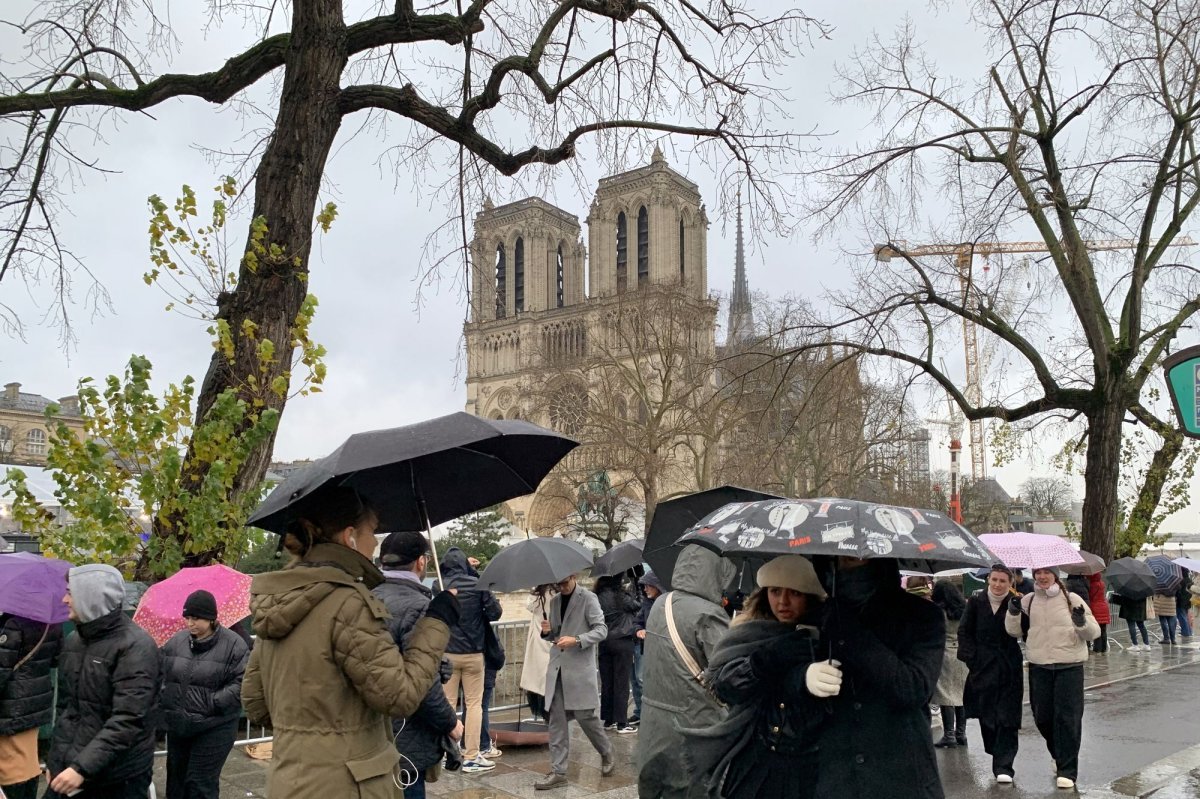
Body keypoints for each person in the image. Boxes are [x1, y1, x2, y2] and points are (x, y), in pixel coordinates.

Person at [241, 487, 458, 799]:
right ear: (350, 537)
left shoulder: (277, 604)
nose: (375, 543)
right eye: (373, 531)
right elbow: (398, 696)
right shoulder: (348, 604)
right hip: (349, 783)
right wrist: (437, 621)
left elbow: (256, 704)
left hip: (289, 780)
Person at [684, 556, 832, 799]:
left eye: (795, 593)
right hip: (757, 761)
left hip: (810, 767)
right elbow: (725, 688)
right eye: (775, 591)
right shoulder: (749, 633)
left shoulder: (829, 636)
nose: (783, 602)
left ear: (810, 596)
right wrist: (764, 661)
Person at [811, 556, 945, 799]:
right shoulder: (815, 616)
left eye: (854, 558)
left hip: (903, 777)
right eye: (837, 558)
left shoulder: (922, 616)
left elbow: (913, 688)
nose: (844, 568)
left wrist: (851, 631)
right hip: (835, 778)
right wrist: (802, 677)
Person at [43, 564, 161, 799]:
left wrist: (81, 768)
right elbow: (67, 709)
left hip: (118, 777)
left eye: (70, 593)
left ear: (91, 597)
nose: (65, 599)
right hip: (73, 771)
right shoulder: (74, 640)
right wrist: (56, 761)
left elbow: (128, 719)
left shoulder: (136, 647)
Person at [635, 544, 736, 799]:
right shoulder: (708, 614)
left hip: (654, 725)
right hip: (694, 725)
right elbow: (729, 672)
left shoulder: (660, 603)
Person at [372, 531, 464, 799]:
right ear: (421, 562)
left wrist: (441, 665)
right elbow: (421, 684)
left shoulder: (367, 597)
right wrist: (450, 723)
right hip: (406, 738)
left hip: (372, 734)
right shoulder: (420, 607)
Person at [1005, 566, 1100, 790]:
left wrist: (1080, 622)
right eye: (1038, 573)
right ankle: (1059, 754)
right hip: (1040, 665)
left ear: (1055, 575)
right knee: (1043, 718)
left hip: (1070, 665)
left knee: (1068, 719)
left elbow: (1094, 632)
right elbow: (1014, 632)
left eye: (1047, 572)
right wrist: (1013, 612)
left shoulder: (1072, 598)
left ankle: (1067, 770)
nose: (1042, 577)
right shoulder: (1028, 600)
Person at [160, 590, 250, 799]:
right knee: (176, 785)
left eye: (196, 618)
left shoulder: (234, 644)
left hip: (214, 726)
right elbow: (161, 673)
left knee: (200, 784)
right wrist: (168, 700)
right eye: (187, 617)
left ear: (211, 618)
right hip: (180, 726)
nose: (190, 623)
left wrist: (213, 702)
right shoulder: (177, 641)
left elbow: (243, 681)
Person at [535, 572, 614, 790]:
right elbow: (557, 636)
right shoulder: (554, 601)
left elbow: (602, 630)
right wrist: (547, 633)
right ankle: (558, 771)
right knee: (556, 721)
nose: (562, 587)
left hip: (579, 670)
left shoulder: (588, 598)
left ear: (574, 576)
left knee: (586, 717)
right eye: (558, 584)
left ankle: (606, 752)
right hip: (558, 669)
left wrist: (578, 640)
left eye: (565, 582)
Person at [439, 546, 503, 773]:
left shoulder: (440, 583)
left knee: (447, 704)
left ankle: (448, 752)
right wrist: (477, 577)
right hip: (474, 653)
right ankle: (472, 756)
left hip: (446, 653)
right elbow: (495, 613)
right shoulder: (477, 584)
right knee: (474, 704)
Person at [958, 564, 1024, 784]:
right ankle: (995, 752)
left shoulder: (1016, 602)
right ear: (988, 580)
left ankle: (1004, 765)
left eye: (1003, 581)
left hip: (1008, 666)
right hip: (982, 666)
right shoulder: (976, 602)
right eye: (994, 580)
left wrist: (1017, 610)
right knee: (987, 716)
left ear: (1010, 583)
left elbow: (1023, 631)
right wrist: (972, 659)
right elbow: (965, 631)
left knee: (1007, 716)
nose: (998, 584)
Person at [0, 612, 63, 799]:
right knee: (28, 761)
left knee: (11, 767)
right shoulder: (51, 621)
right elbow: (56, 659)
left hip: (10, 705)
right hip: (36, 702)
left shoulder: (12, 624)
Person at [594, 574, 640, 734]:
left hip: (604, 641)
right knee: (621, 682)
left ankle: (608, 720)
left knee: (607, 682)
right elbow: (637, 605)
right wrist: (635, 582)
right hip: (622, 640)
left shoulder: (597, 596)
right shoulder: (620, 596)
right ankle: (622, 722)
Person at [931, 580, 969, 748]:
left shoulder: (938, 611)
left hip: (945, 655)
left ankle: (949, 735)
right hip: (962, 654)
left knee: (946, 695)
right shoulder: (965, 609)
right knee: (961, 695)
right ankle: (961, 733)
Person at [632, 570, 664, 725]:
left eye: (648, 586)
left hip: (663, 652)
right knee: (641, 679)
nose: (645, 589)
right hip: (647, 649)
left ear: (657, 586)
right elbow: (637, 621)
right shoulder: (646, 603)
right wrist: (639, 630)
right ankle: (643, 714)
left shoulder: (668, 603)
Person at [520, 585, 554, 722]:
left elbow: (529, 605)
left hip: (540, 642)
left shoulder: (539, 596)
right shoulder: (557, 593)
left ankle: (544, 713)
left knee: (539, 681)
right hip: (552, 641)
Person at [1086, 572, 1111, 653]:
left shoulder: (1092, 585)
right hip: (1104, 607)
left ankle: (1097, 649)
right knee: (1103, 630)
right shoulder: (1102, 584)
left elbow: (1090, 596)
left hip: (1096, 608)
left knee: (1097, 630)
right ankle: (1103, 648)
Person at [1175, 569, 1193, 639]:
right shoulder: (1189, 580)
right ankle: (1189, 631)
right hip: (1188, 601)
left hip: (1181, 601)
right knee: (1185, 616)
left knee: (1182, 617)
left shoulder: (1181, 580)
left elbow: (1179, 591)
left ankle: (1185, 632)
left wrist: (1177, 597)